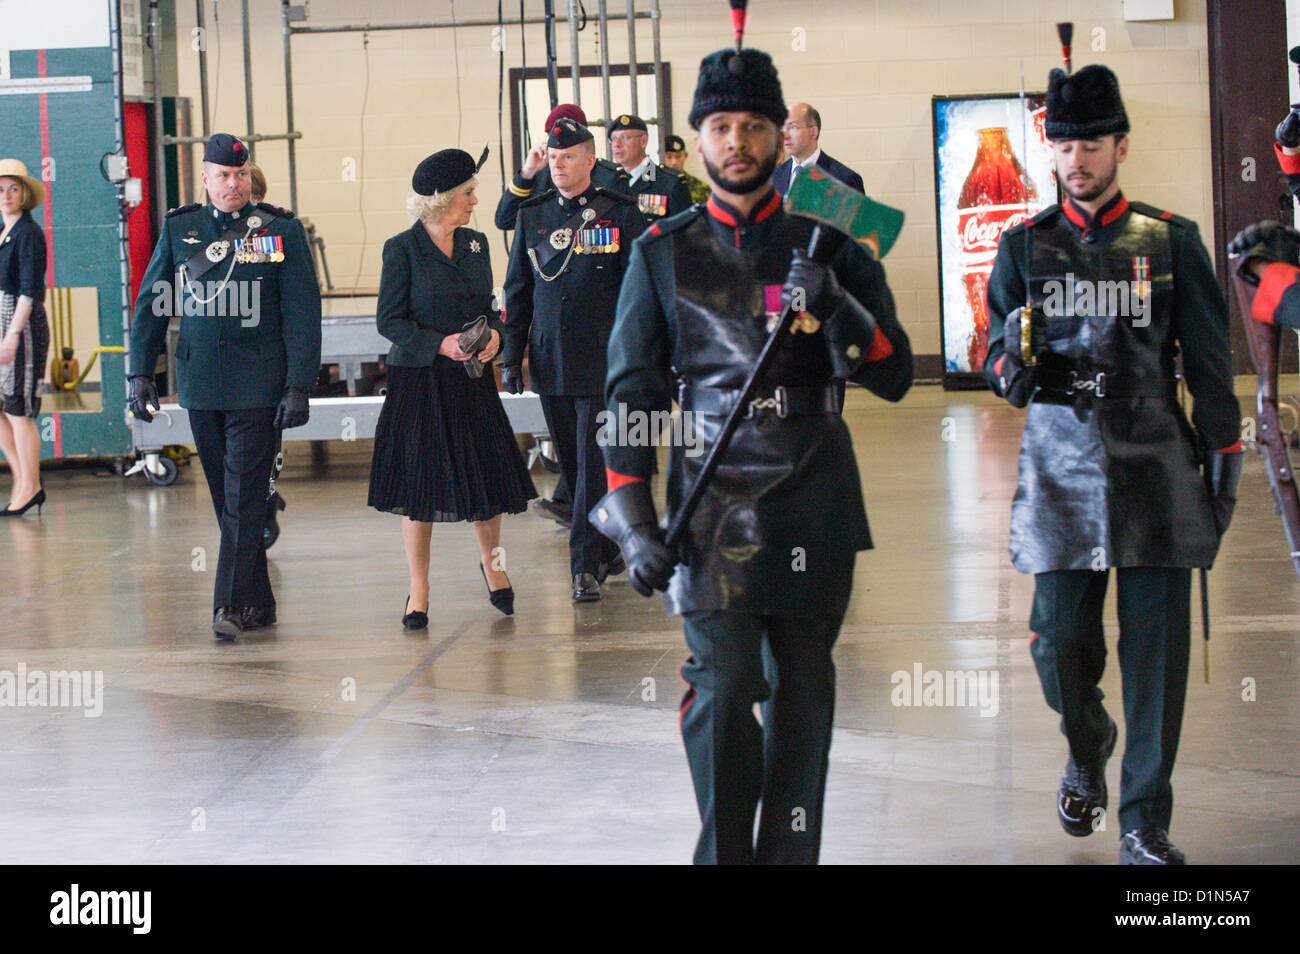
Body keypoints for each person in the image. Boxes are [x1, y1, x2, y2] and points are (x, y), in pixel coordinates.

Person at [590, 47, 913, 864]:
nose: (739, 141)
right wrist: (630, 521)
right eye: (722, 127)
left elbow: (896, 374)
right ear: (698, 141)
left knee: (805, 698)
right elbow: (630, 395)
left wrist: (835, 304)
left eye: (755, 126)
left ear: (780, 136)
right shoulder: (661, 249)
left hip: (815, 493)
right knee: (727, 690)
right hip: (710, 501)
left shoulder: (829, 239)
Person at [985, 65, 1241, 865]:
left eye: (1092, 141)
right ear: (1050, 150)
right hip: (1061, 461)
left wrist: (1222, 475)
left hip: (1154, 457)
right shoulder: (1024, 245)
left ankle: (1143, 821)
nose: (1078, 157)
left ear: (1120, 145)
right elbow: (994, 342)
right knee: (1058, 643)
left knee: (1157, 654)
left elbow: (1208, 365)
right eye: (1064, 143)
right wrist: (1009, 369)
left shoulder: (1171, 239)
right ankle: (1085, 738)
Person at [128, 133, 322, 640]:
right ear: (207, 178)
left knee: (241, 497)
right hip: (200, 384)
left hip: (259, 384)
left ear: (248, 176)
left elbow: (303, 312)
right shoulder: (181, 227)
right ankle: (260, 601)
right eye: (223, 175)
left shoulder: (280, 230)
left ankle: (230, 607)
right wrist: (139, 371)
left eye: (240, 174)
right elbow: (154, 301)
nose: (232, 183)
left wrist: (299, 383)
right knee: (228, 500)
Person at [368, 149, 536, 627]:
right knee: (419, 486)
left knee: (485, 478)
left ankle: (493, 566)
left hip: (472, 379)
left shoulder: (478, 244)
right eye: (467, 193)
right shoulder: (400, 249)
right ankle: (418, 588)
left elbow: (491, 305)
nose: (475, 200)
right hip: (419, 380)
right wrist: (437, 345)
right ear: (441, 200)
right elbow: (389, 321)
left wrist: (497, 338)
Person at [500, 118, 645, 601]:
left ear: (589, 160)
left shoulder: (620, 212)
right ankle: (607, 548)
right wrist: (510, 354)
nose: (558, 165)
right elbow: (518, 290)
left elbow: (638, 291)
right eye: (553, 157)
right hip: (550, 359)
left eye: (568, 157)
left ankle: (582, 566)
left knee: (590, 460)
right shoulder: (533, 214)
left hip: (603, 361)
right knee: (576, 464)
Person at [0, 158, 50, 517]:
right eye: (0, 190)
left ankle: (31, 485)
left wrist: (13, 333)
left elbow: (29, 290)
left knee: (19, 408)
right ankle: (21, 478)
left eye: (13, 188)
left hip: (22, 326)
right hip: (1, 323)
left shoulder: (28, 234)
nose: (6, 196)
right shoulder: (4, 231)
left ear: (25, 193)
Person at [494, 104, 630, 232]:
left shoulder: (609, 176)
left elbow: (627, 225)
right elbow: (504, 220)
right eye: (552, 139)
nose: (558, 144)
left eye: (568, 152)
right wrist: (527, 172)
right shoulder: (539, 174)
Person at [608, 114, 692, 222]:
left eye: (624, 137)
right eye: (613, 139)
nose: (617, 144)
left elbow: (684, 233)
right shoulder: (608, 182)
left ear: (643, 141)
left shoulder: (670, 182)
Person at [772, 103, 864, 196]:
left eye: (793, 127)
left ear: (813, 132)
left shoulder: (844, 179)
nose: (785, 135)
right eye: (782, 128)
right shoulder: (775, 176)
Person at [662, 134, 710, 204]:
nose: (674, 162)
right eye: (668, 157)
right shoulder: (653, 186)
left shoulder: (702, 189)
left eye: (678, 157)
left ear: (685, 155)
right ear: (660, 155)